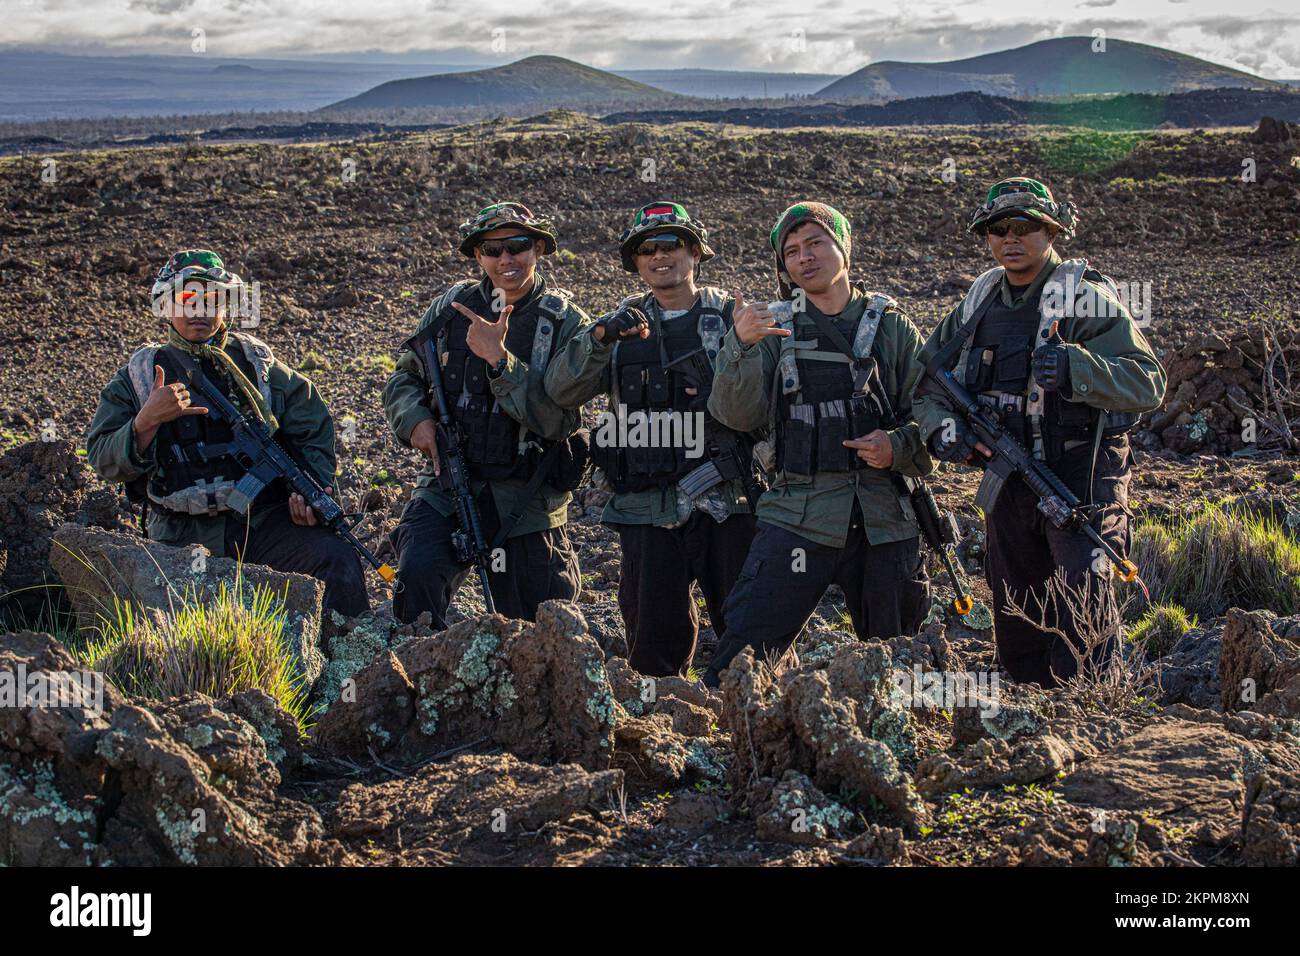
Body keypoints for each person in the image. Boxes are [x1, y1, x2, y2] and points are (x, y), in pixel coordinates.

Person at [912, 177, 1166, 686]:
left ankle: (1093, 710)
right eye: (998, 228)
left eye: (1025, 226)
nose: (1010, 238)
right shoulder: (979, 303)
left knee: (1084, 587)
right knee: (1014, 598)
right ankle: (1027, 711)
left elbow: (1149, 382)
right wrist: (945, 432)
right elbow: (925, 384)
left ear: (1051, 231)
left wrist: (1077, 368)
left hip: (1081, 474)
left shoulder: (1085, 299)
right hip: (1007, 476)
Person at [702, 201, 933, 688]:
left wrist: (899, 445)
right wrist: (739, 345)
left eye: (816, 243)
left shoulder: (891, 326)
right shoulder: (769, 328)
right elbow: (733, 415)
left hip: (885, 519)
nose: (804, 257)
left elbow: (935, 413)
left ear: (844, 247)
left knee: (895, 670)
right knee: (740, 661)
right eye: (791, 252)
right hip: (798, 513)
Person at [86, 248, 368, 615]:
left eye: (212, 298)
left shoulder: (257, 366)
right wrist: (146, 422)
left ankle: (351, 662)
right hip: (177, 538)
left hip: (261, 527)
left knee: (337, 560)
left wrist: (309, 491)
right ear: (166, 305)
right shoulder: (139, 376)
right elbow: (102, 459)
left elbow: (312, 424)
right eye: (188, 298)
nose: (200, 311)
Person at [546, 201, 760, 677]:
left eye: (672, 245)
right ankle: (660, 726)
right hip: (647, 506)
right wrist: (598, 339)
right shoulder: (617, 325)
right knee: (651, 641)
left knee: (747, 633)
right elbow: (562, 390)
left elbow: (766, 406)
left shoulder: (732, 317)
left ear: (695, 252)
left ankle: (754, 721)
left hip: (728, 501)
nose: (660, 256)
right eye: (647, 249)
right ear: (635, 262)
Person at [382, 202, 586, 626]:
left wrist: (500, 362)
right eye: (492, 250)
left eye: (518, 246)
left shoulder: (565, 323)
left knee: (541, 623)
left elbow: (560, 420)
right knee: (415, 583)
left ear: (539, 249)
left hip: (527, 496)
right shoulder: (449, 309)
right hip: (449, 484)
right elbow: (403, 380)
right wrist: (415, 421)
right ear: (478, 256)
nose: (505, 259)